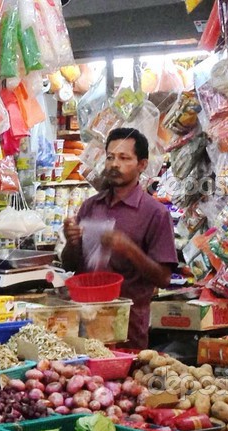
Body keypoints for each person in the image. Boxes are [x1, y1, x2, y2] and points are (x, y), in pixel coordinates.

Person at [60, 127, 177, 349]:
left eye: (124, 158)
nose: (115, 164)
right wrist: (71, 241)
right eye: (110, 157)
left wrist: (129, 249)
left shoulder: (155, 213)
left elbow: (163, 278)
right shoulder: (91, 206)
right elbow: (71, 265)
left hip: (126, 329)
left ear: (142, 164)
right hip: (83, 323)